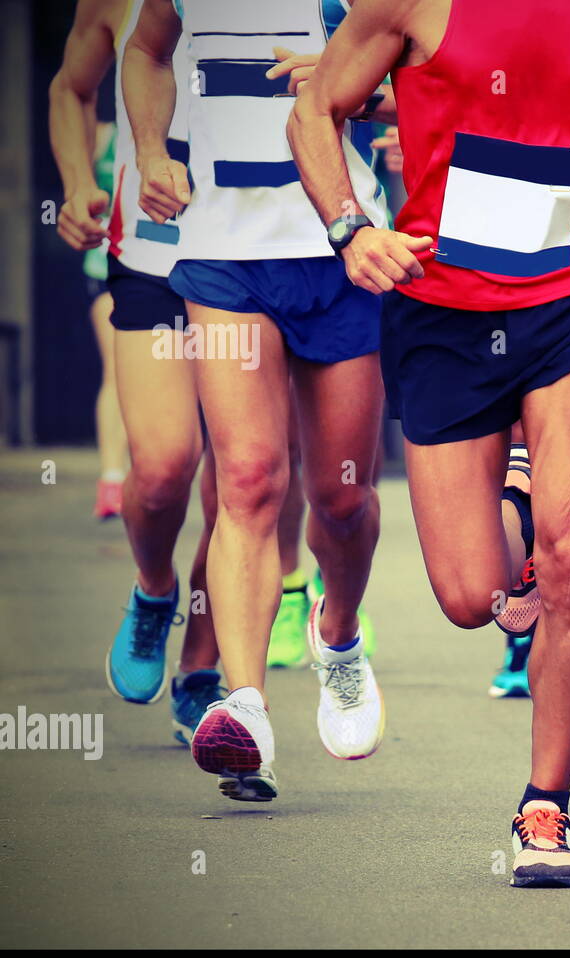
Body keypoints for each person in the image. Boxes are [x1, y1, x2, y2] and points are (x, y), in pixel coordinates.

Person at [288, 0, 570, 886]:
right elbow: (313, 110)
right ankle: (518, 518)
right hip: (440, 310)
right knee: (468, 593)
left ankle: (546, 806)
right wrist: (350, 228)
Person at [124, 0, 394, 801]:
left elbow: (437, 72)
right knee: (245, 476)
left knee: (341, 497)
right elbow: (144, 52)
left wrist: (362, 87)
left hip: (338, 249)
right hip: (224, 256)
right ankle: (247, 711)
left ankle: (337, 637)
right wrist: (150, 152)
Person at [50, 0, 225, 743]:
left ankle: (203, 667)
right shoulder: (119, 4)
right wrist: (76, 184)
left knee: (246, 478)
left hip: (265, 253)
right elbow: (70, 88)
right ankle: (156, 591)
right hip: (153, 256)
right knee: (161, 468)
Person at [84, 120, 130, 519]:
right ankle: (112, 479)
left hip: (175, 264)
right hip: (107, 267)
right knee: (117, 372)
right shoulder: (101, 135)